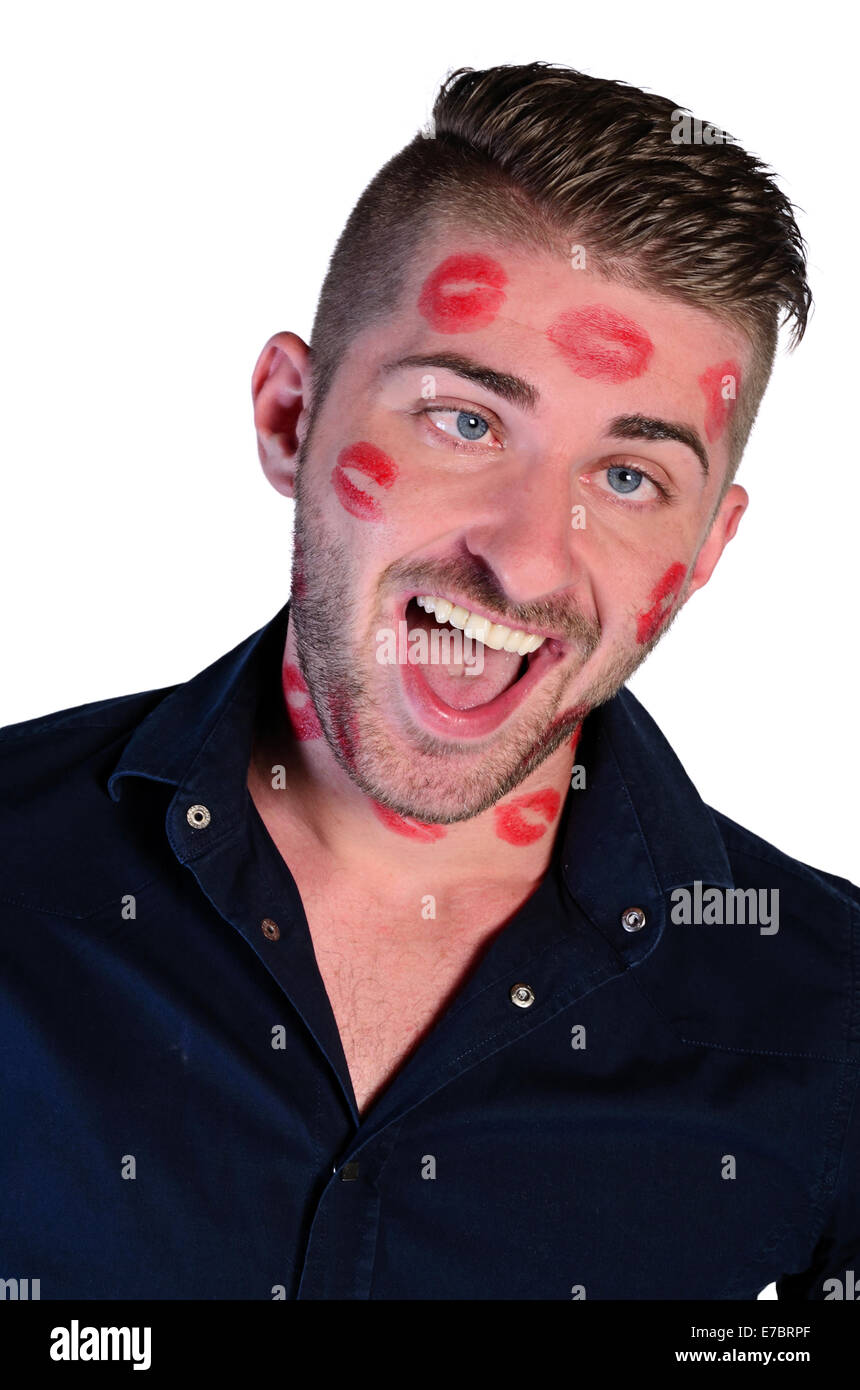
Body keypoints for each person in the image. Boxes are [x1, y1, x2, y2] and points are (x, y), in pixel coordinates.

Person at [1, 62, 857, 1302]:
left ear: (707, 547)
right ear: (292, 416)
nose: (522, 556)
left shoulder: (828, 1020)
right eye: (465, 421)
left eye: (627, 478)